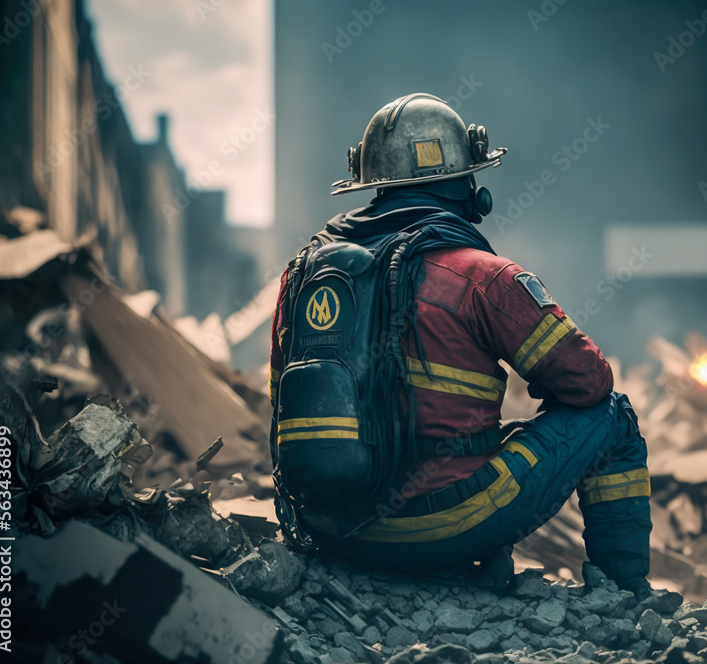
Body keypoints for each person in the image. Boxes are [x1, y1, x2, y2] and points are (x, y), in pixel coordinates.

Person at [268, 93, 653, 595]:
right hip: (441, 525)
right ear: (469, 189)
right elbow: (589, 381)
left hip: (329, 530)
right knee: (612, 416)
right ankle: (624, 594)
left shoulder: (303, 278)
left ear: (372, 188)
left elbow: (279, 403)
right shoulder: (483, 277)